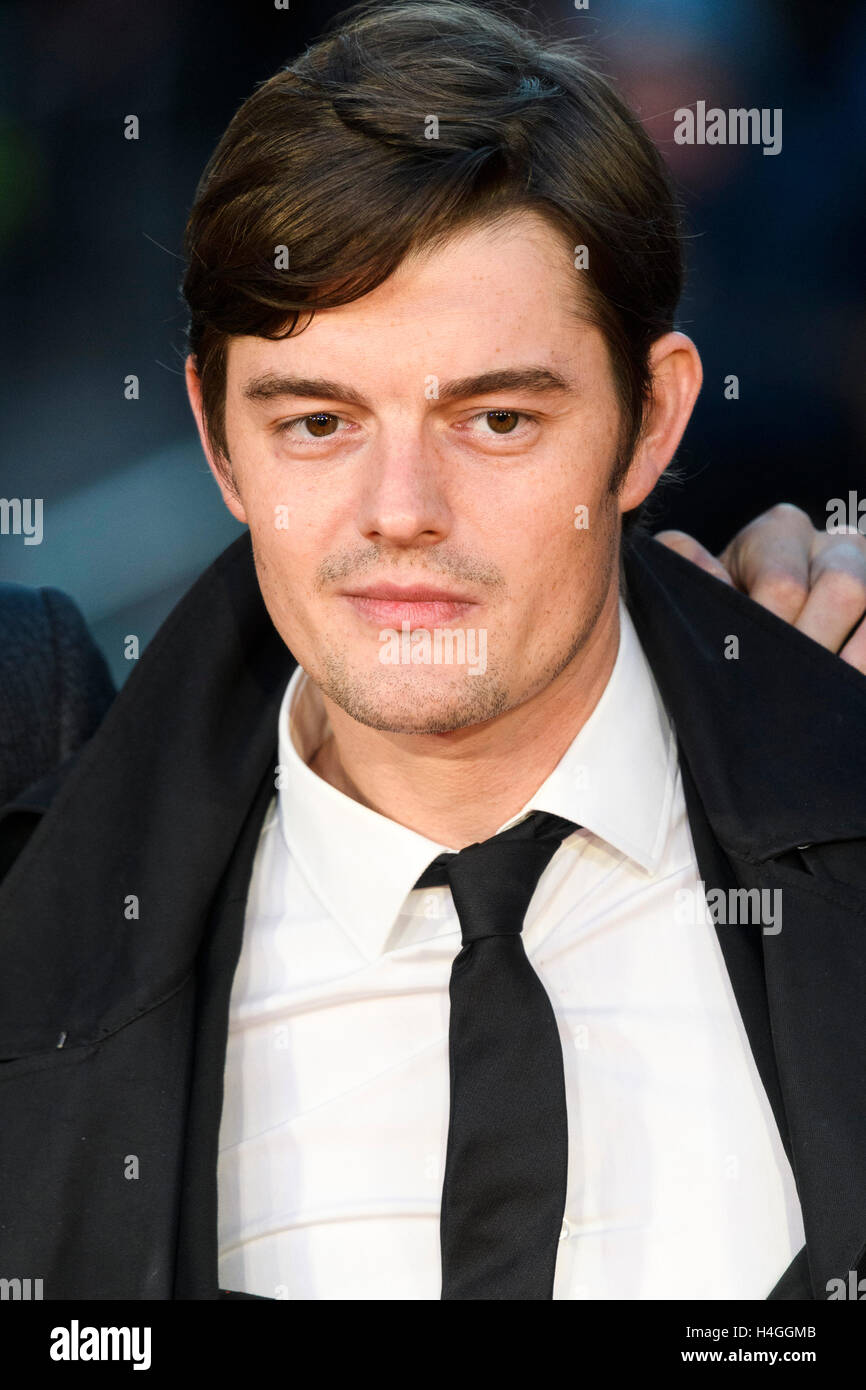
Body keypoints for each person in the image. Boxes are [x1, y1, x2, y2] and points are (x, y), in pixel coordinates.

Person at [2, 0, 866, 1302]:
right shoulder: (43, 898)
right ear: (218, 441)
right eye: (317, 423)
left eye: (496, 419)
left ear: (650, 422)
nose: (400, 510)